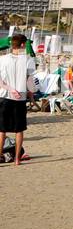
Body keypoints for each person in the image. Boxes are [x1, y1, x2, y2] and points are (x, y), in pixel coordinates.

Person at [0, 34, 36, 166]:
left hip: (4, 96)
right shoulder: (28, 60)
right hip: (20, 99)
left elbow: (0, 81)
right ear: (22, 45)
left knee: (2, 130)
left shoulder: (2, 59)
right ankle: (17, 159)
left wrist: (10, 89)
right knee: (19, 129)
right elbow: (30, 81)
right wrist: (32, 97)